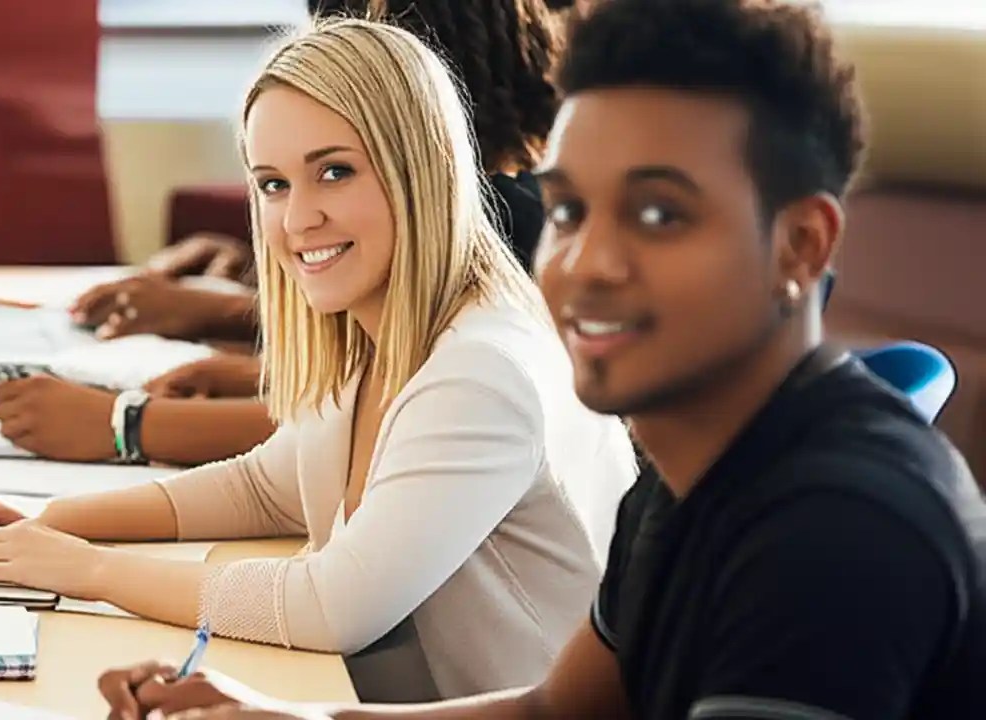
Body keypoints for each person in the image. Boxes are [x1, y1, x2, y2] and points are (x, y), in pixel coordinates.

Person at [98, 0, 986, 718]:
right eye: (566, 213)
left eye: (656, 214)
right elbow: (551, 710)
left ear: (799, 246)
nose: (584, 266)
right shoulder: (683, 476)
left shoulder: (833, 539)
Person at [0, 18, 637, 703]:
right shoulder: (373, 329)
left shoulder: (482, 371)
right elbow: (266, 487)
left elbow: (332, 607)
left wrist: (88, 572)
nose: (296, 218)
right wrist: (46, 522)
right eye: (273, 184)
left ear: (422, 168)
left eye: (335, 172)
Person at [0, 0, 576, 468]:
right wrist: (241, 300)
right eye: (272, 185)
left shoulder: (504, 218)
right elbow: (364, 381)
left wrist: (126, 424)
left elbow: (395, 423)